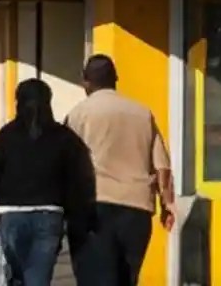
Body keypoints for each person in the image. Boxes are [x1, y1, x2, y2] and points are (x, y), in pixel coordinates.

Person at [0, 79, 94, 286]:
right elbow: (78, 181)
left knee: (13, 277)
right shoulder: (65, 138)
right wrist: (79, 217)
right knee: (38, 279)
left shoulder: (6, 136)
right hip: (49, 217)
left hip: (11, 216)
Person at [64, 55, 175, 286]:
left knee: (93, 278)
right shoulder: (142, 113)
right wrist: (167, 205)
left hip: (94, 206)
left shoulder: (78, 114)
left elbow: (66, 164)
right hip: (137, 209)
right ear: (116, 79)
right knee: (127, 279)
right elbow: (162, 166)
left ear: (86, 82)